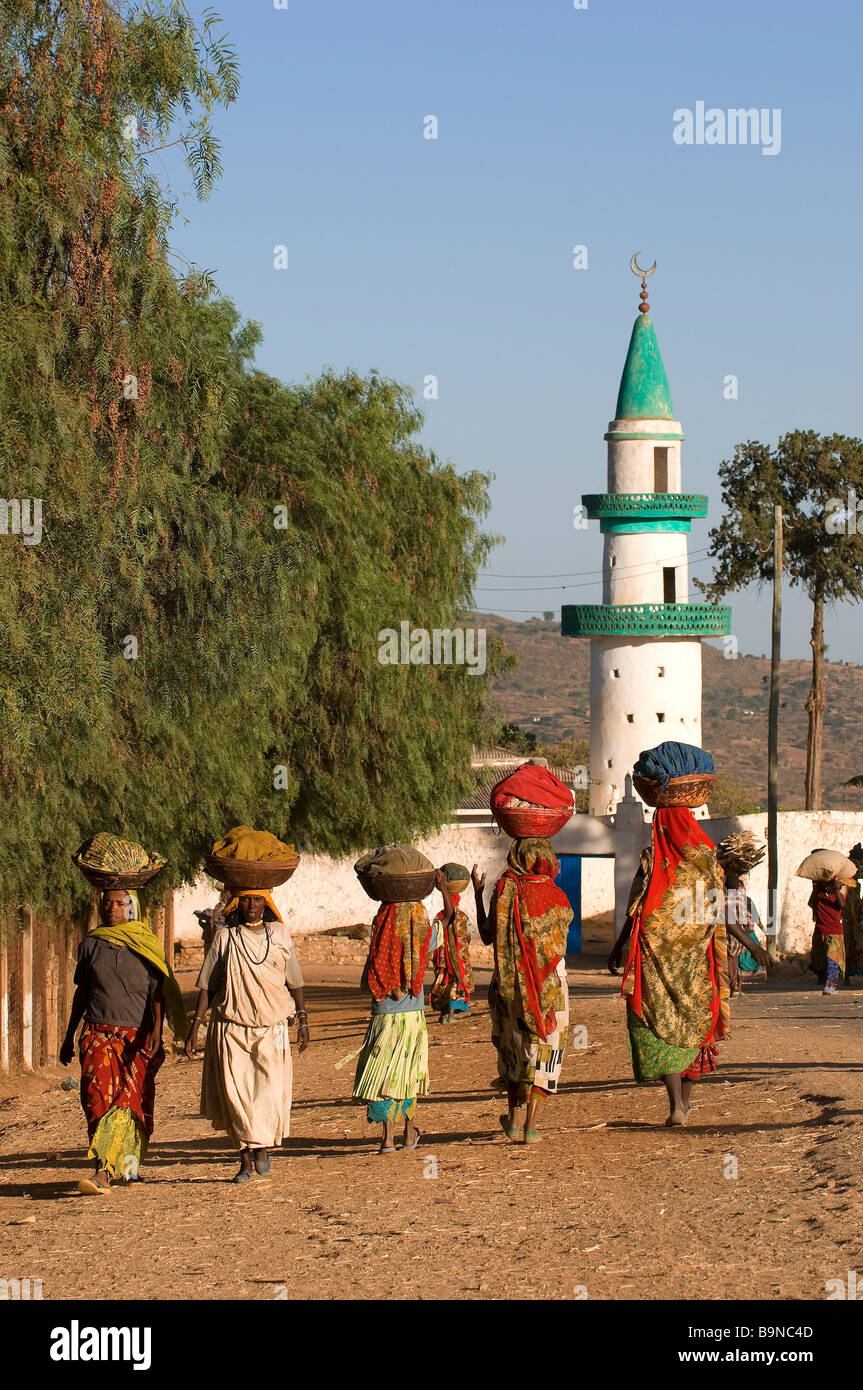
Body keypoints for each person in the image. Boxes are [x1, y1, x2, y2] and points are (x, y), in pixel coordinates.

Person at [609, 807, 771, 1126]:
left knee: (662, 1025)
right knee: (695, 1026)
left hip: (656, 960)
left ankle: (675, 1106)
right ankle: (683, 1103)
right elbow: (719, 908)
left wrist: (618, 946)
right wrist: (753, 945)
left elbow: (635, 907)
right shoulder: (706, 860)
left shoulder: (652, 858)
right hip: (697, 963)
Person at [60, 888, 188, 1194]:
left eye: (120, 903)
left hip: (136, 1038)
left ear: (133, 907)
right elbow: (82, 993)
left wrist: (157, 1031)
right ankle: (102, 1171)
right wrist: (68, 1035)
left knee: (131, 1102)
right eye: (108, 902)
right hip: (97, 1034)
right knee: (97, 1100)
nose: (112, 908)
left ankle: (129, 1165)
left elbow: (157, 994)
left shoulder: (146, 945)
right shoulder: (92, 944)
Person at [185, 890, 310, 1182]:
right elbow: (208, 986)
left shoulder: (279, 934)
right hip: (231, 1027)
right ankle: (245, 1161)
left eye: (256, 900)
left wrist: (303, 1020)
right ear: (235, 904)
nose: (251, 906)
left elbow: (295, 981)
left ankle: (261, 1146)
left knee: (266, 1094)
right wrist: (195, 1028)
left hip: (270, 1026)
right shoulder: (225, 939)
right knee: (236, 1098)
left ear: (266, 903)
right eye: (244, 900)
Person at [472, 837, 573, 1144]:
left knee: (516, 1050)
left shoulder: (504, 892)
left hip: (509, 985)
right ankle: (531, 1126)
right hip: (550, 985)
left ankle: (513, 1121)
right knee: (544, 1050)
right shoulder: (557, 895)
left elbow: (488, 935)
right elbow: (559, 941)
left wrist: (478, 895)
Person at [352, 896, 432, 1154]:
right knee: (409, 1073)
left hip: (383, 1013)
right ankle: (409, 1134)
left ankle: (387, 1139)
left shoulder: (383, 920)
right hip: (412, 1014)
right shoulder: (420, 922)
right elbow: (449, 921)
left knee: (382, 1072)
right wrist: (443, 890)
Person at [429, 864, 474, 1023]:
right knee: (455, 983)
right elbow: (468, 936)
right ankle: (451, 1014)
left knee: (443, 982)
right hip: (458, 959)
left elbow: (435, 934)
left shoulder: (439, 915)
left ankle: (443, 1014)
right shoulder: (463, 916)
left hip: (442, 958)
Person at [808, 878, 848, 995]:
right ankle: (826, 982)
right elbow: (812, 903)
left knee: (833, 959)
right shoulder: (819, 895)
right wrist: (815, 886)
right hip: (820, 932)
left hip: (834, 933)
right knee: (820, 960)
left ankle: (831, 985)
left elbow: (842, 906)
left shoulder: (839, 896)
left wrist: (836, 890)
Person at [843, 846, 863, 984]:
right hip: (849, 923)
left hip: (854, 922)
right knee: (849, 949)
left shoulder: (855, 884)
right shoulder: (847, 884)